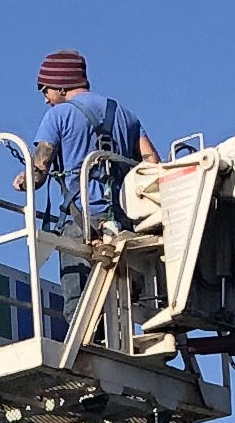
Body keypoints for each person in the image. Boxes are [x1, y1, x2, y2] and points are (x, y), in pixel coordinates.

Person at [16, 51, 155, 347]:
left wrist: (23, 179)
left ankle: (88, 351)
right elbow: (152, 164)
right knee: (118, 299)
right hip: (124, 223)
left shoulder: (58, 115)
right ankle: (118, 344)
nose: (46, 99)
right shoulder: (125, 115)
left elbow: (39, 170)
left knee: (79, 305)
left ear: (61, 85)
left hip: (81, 223)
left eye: (46, 90)